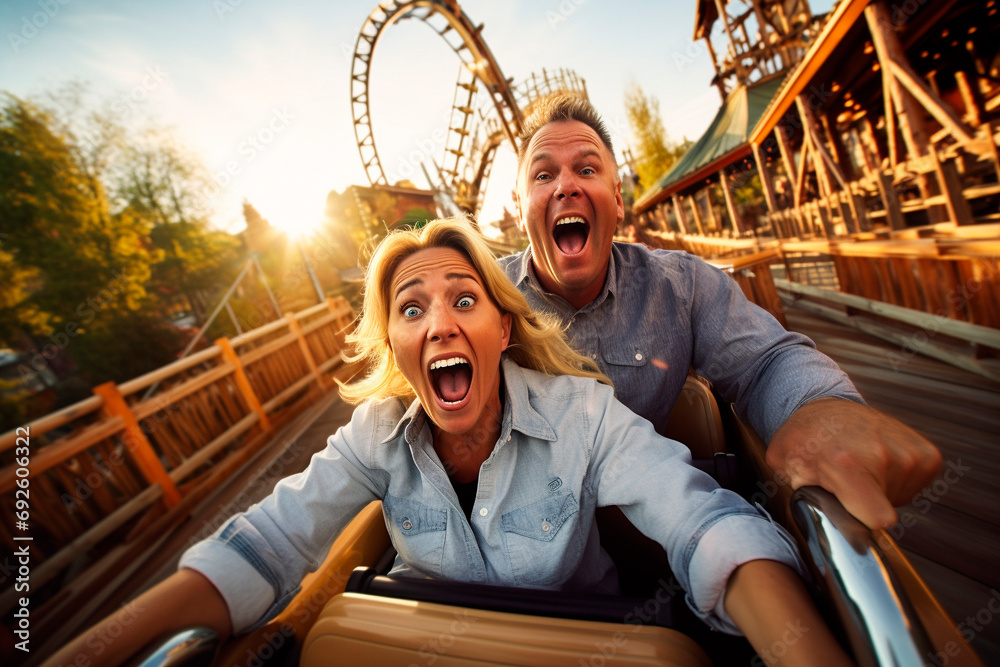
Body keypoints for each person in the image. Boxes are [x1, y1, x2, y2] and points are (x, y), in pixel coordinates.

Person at [44, 219, 852, 667]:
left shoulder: (583, 414)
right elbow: (264, 542)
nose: (437, 321)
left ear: (501, 329)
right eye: (409, 307)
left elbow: (702, 522)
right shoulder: (374, 438)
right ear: (396, 345)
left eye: (463, 298)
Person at [500, 93, 943, 530]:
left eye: (587, 168)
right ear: (520, 210)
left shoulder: (680, 285)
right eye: (543, 175)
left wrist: (817, 407)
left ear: (617, 199)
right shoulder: (482, 296)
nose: (566, 185)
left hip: (655, 527)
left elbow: (766, 360)